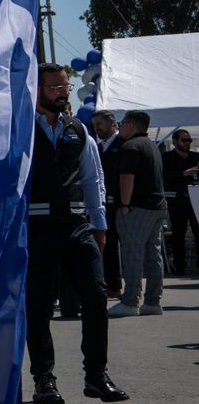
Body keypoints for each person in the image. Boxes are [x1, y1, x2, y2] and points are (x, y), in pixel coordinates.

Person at [26, 63, 126, 404]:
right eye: (54, 87)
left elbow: (92, 179)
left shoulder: (78, 129)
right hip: (35, 230)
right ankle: (44, 379)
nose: (62, 93)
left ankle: (96, 376)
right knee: (38, 307)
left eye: (65, 87)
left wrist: (100, 226)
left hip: (77, 227)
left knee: (97, 298)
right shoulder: (18, 128)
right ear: (36, 89)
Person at [110, 111, 167, 318]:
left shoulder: (130, 146)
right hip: (157, 206)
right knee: (154, 255)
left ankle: (130, 301)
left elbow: (127, 178)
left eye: (122, 123)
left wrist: (124, 204)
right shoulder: (152, 146)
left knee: (132, 254)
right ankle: (153, 301)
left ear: (131, 125)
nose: (119, 127)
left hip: (137, 207)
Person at [91, 110, 121, 297]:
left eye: (99, 124)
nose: (96, 129)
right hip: (105, 203)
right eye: (94, 126)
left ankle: (117, 286)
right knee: (107, 246)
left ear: (111, 122)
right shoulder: (99, 147)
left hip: (121, 203)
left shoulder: (123, 144)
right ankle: (112, 284)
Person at [162, 129, 196, 276]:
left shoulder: (196, 157)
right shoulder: (167, 158)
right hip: (177, 200)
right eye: (184, 140)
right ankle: (179, 265)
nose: (187, 143)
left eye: (189, 140)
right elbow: (163, 177)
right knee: (178, 233)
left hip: (195, 199)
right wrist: (183, 174)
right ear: (175, 142)